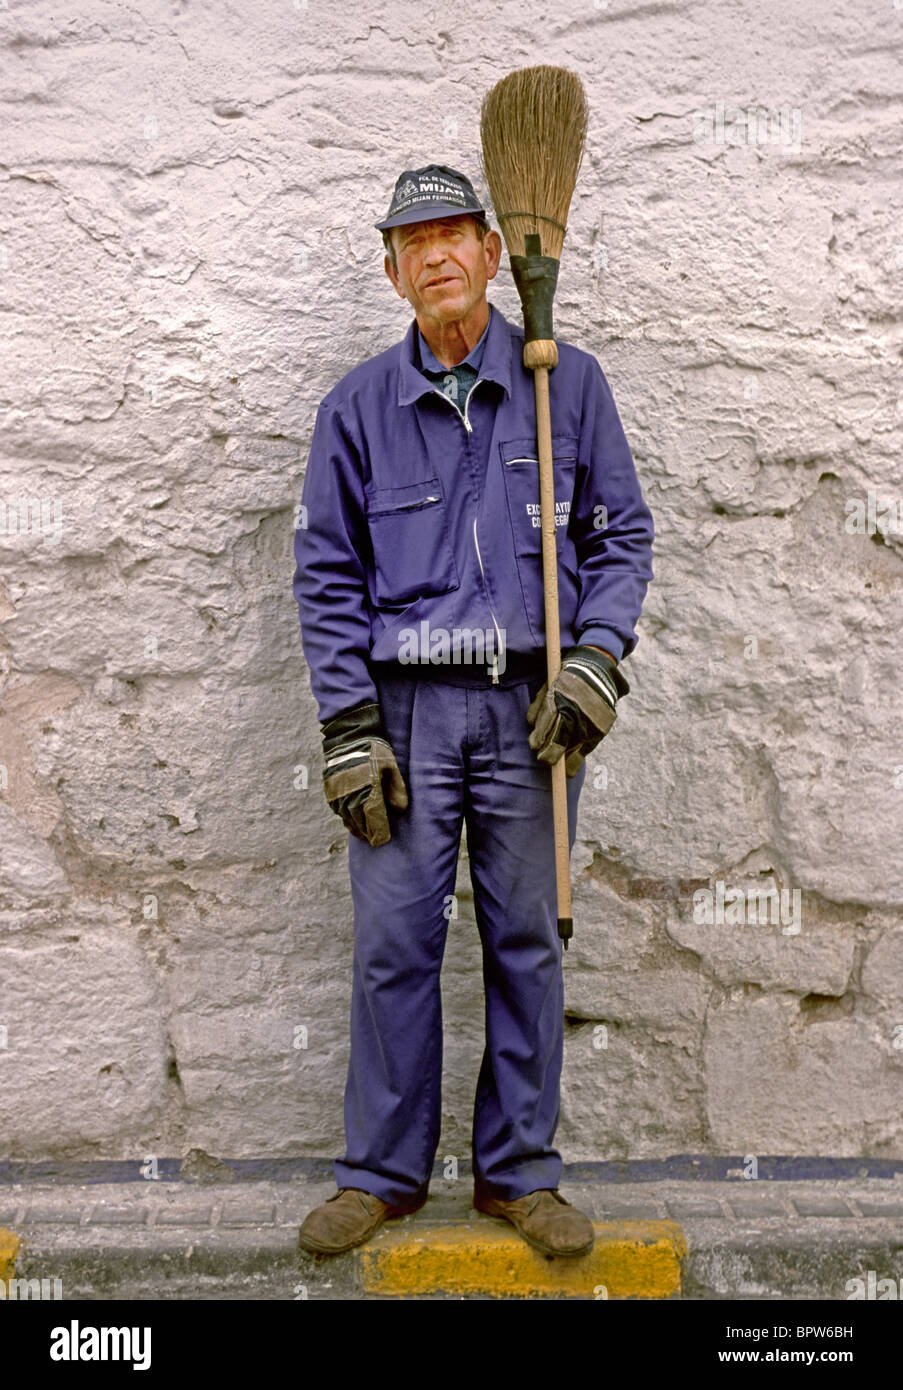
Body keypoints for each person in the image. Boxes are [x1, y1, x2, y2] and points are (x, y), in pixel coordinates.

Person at [291, 164, 654, 1260]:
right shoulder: (356, 409)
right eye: (416, 241)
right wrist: (349, 725)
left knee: (529, 942)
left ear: (496, 255)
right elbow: (326, 574)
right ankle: (382, 1175)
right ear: (393, 268)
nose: (439, 255)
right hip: (406, 715)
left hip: (529, 712)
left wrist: (595, 661)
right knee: (396, 944)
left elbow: (620, 537)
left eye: (458, 235)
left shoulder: (566, 384)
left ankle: (520, 1173)